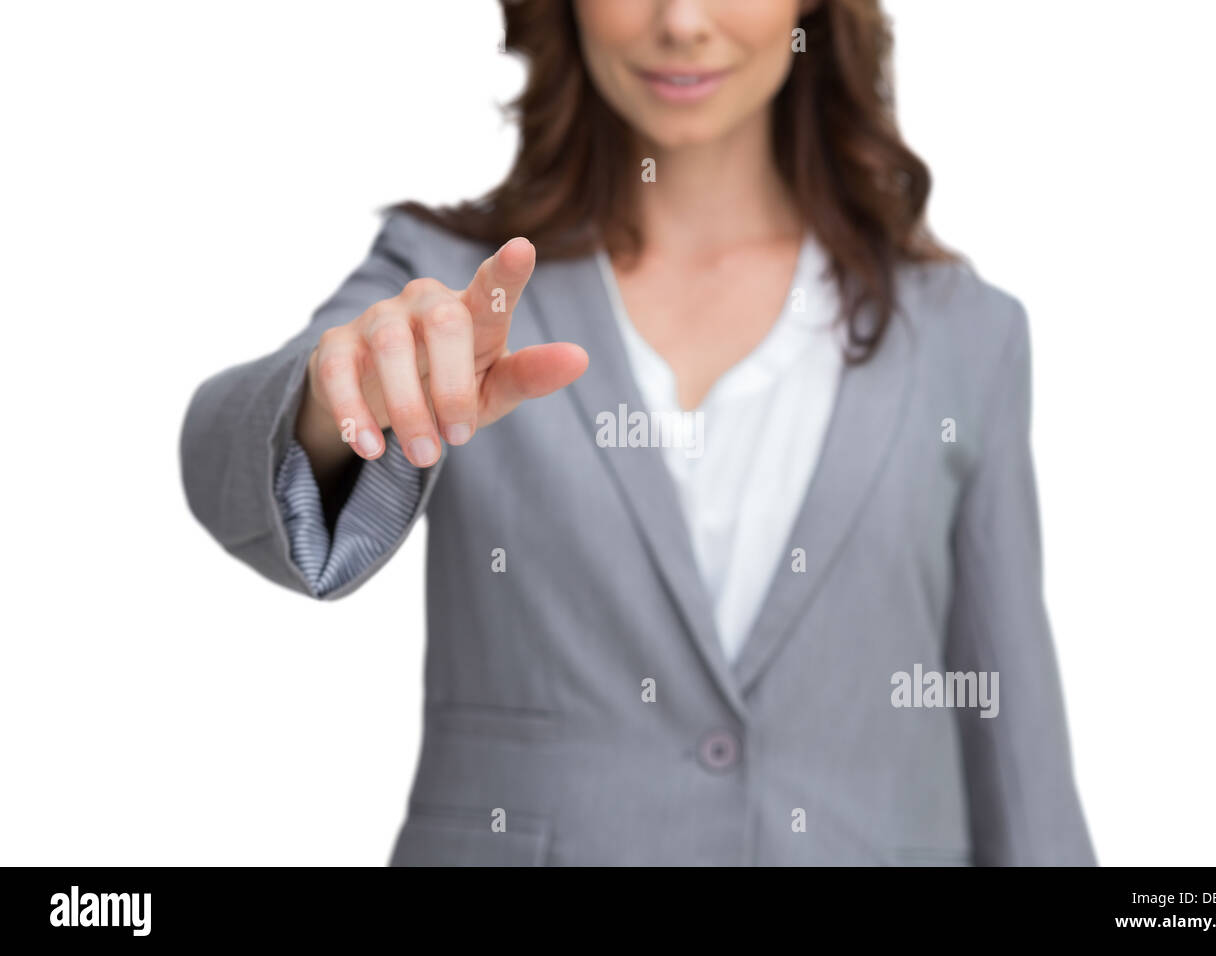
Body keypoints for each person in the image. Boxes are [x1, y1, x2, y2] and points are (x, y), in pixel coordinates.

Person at [181, 0, 1096, 866]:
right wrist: (335, 397)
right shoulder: (453, 286)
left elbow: (1013, 741)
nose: (682, 24)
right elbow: (222, 458)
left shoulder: (966, 335)